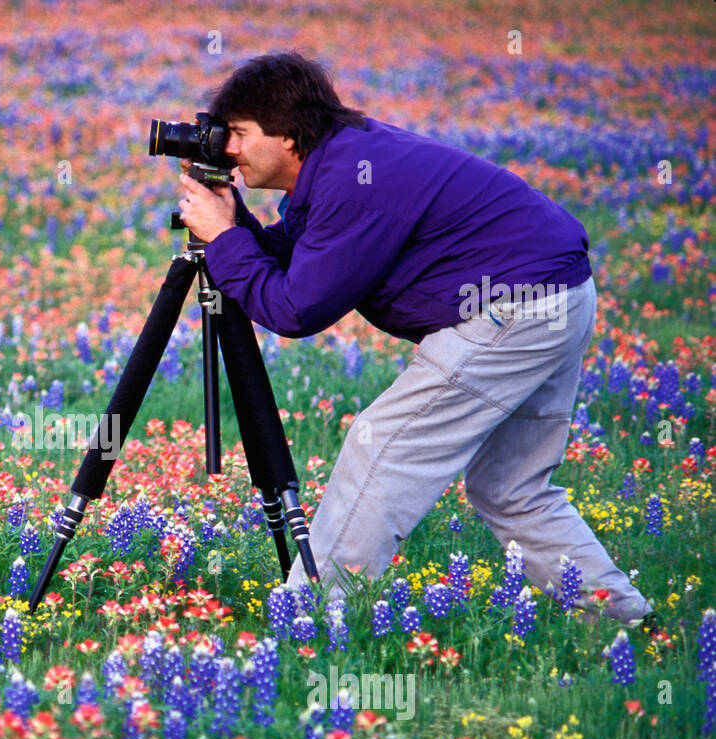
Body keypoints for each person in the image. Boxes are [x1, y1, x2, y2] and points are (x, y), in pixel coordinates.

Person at [174, 51, 654, 627]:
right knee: (510, 488)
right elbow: (304, 260)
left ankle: (309, 621)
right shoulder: (346, 158)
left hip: (513, 309)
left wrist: (224, 239)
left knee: (381, 449)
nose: (227, 149)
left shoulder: (352, 180)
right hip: (559, 297)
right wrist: (238, 226)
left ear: (287, 134)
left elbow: (295, 308)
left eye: (240, 135)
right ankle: (620, 620)